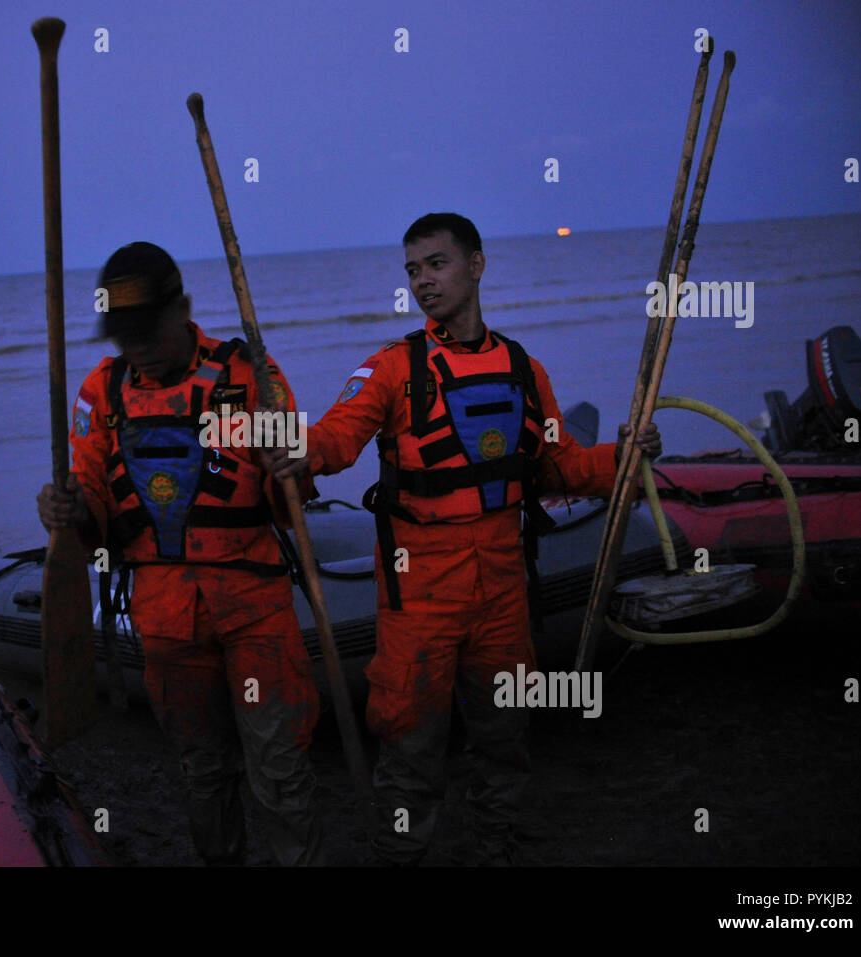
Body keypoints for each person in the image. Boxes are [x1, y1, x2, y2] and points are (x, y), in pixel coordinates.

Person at [266, 213, 661, 865]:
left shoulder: (523, 370)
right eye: (412, 270)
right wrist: (296, 449)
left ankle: (494, 844)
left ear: (476, 265)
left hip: (503, 593)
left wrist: (624, 457)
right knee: (411, 742)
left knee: (505, 738)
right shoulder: (392, 368)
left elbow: (560, 465)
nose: (423, 281)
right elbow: (336, 437)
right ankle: (402, 852)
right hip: (419, 598)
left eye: (436, 263)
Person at [37, 241, 325, 866]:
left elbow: (298, 497)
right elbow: (92, 504)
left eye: (146, 328)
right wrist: (70, 511)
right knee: (202, 771)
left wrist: (292, 463)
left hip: (255, 612)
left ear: (184, 309)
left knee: (279, 768)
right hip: (165, 622)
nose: (134, 344)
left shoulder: (251, 376)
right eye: (122, 332)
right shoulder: (100, 394)